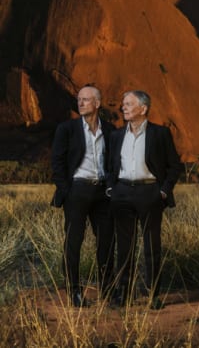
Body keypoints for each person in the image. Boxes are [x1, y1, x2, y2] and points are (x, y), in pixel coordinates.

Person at [106, 90, 181, 310]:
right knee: (124, 247)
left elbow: (174, 166)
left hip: (150, 193)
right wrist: (112, 188)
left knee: (151, 247)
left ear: (143, 108)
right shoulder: (117, 136)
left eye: (129, 104)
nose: (123, 108)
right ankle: (124, 294)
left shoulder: (160, 134)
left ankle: (153, 295)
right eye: (123, 104)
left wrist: (164, 191)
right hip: (122, 193)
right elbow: (110, 166)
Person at [51, 85, 116, 307]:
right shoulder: (66, 129)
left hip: (102, 193)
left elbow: (115, 162)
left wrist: (112, 186)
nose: (80, 103)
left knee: (107, 241)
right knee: (73, 243)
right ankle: (74, 293)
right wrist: (66, 190)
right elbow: (57, 163)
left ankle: (107, 291)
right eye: (79, 99)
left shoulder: (110, 130)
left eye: (86, 100)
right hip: (77, 190)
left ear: (97, 104)